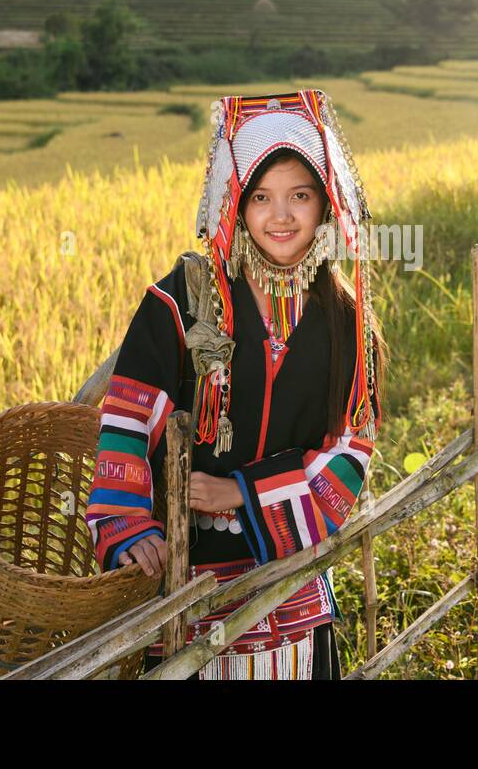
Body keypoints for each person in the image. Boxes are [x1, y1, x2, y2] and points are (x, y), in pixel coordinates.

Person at [84, 88, 386, 679]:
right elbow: (127, 415)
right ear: (237, 205)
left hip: (290, 590)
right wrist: (127, 524)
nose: (281, 216)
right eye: (262, 197)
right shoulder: (183, 301)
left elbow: (351, 450)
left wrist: (239, 494)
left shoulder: (347, 321)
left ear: (325, 205)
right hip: (184, 583)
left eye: (300, 196)